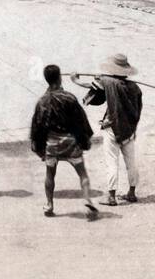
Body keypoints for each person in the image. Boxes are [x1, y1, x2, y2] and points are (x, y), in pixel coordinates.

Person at [29, 64, 97, 219]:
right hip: (70, 141)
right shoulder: (70, 98)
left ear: (47, 80)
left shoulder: (42, 101)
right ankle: (87, 201)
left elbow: (37, 126)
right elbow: (81, 121)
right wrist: (85, 140)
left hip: (52, 142)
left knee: (50, 174)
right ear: (59, 78)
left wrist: (38, 146)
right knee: (82, 174)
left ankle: (49, 204)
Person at [79, 53, 143, 207]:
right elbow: (137, 109)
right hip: (129, 130)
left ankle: (111, 197)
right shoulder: (134, 87)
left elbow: (92, 87)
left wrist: (75, 79)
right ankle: (132, 193)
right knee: (131, 162)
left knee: (111, 162)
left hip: (112, 129)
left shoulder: (108, 81)